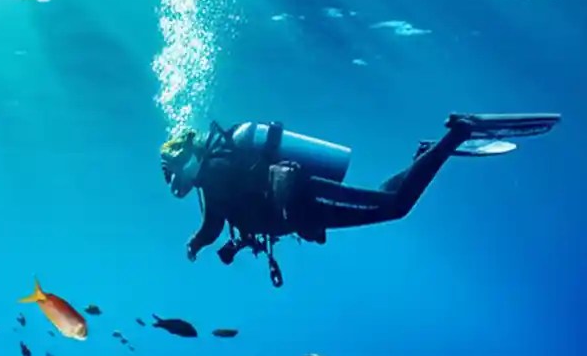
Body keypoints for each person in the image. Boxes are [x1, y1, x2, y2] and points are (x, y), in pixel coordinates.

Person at [159, 112, 561, 287]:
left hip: (308, 201)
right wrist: (197, 243)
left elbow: (217, 221)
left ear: (185, 161)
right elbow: (214, 225)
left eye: (172, 171)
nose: (173, 182)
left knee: (395, 206)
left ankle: (459, 132)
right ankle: (426, 155)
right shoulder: (214, 178)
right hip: (305, 206)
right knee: (387, 199)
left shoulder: (216, 173)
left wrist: (199, 243)